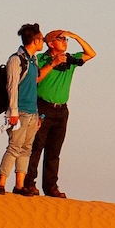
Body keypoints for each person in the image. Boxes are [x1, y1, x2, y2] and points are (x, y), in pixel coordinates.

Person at [23, 29, 96, 199]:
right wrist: (53, 63)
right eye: (61, 39)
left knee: (54, 151)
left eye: (66, 39)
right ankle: (28, 184)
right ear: (50, 43)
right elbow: (35, 79)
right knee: (36, 147)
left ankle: (51, 186)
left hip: (61, 110)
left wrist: (76, 36)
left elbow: (91, 53)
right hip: (42, 107)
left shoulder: (70, 59)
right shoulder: (40, 59)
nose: (65, 42)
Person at [0, 24, 45, 196]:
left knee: (26, 149)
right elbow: (12, 87)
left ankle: (19, 185)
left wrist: (39, 115)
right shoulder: (16, 60)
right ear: (35, 40)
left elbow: (34, 86)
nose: (43, 42)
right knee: (14, 147)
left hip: (32, 112)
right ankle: (1, 183)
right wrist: (13, 112)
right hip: (20, 112)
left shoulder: (34, 60)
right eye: (42, 39)